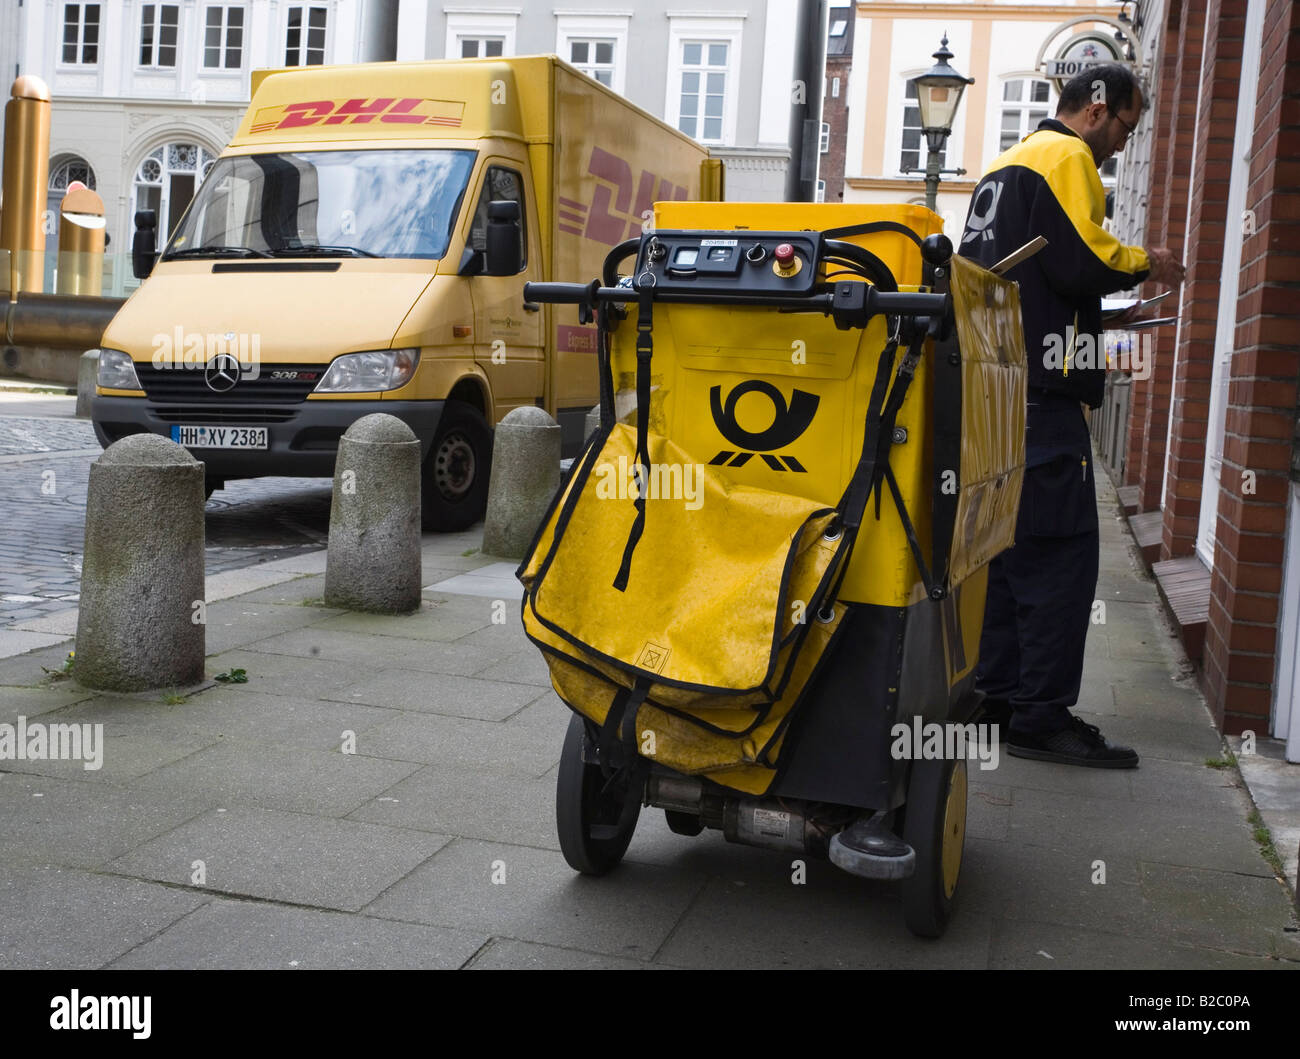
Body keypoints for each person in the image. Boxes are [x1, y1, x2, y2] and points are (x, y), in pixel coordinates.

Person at [959, 63, 1185, 767]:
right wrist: (1151, 264)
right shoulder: (1066, 155)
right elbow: (1082, 258)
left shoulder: (1002, 167)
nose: (1119, 145)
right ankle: (1041, 716)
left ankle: (994, 698)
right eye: (1124, 126)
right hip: (1044, 399)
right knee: (1060, 558)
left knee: (1004, 553)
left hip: (994, 393)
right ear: (1096, 108)